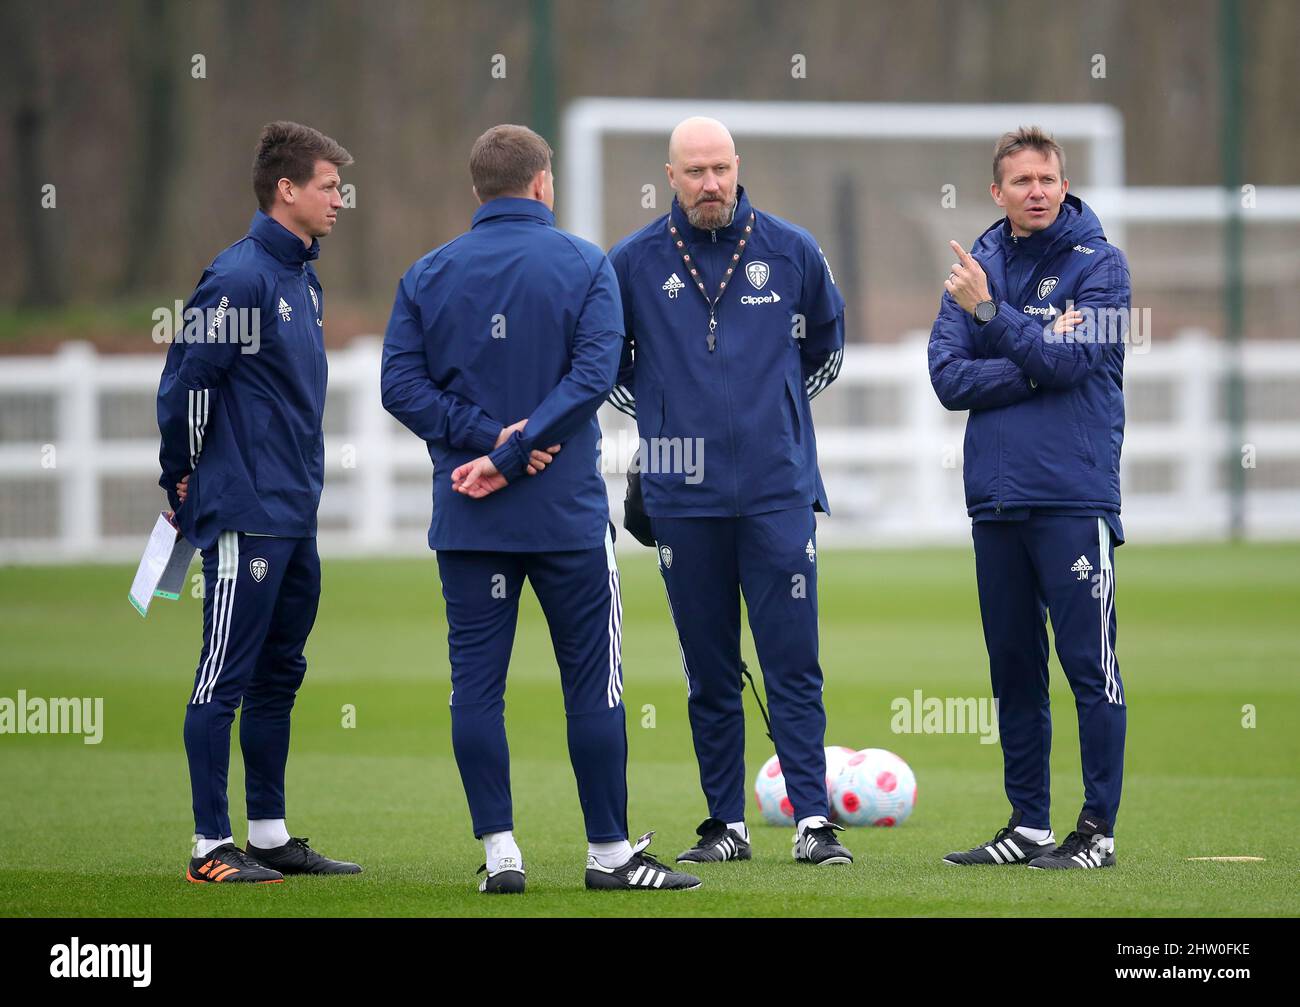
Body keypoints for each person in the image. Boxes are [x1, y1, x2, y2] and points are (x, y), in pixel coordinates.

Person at [381, 123, 701, 894]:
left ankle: (501, 853)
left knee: (475, 687)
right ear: (542, 183)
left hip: (469, 516)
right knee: (594, 683)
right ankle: (610, 854)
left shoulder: (426, 273)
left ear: (477, 190)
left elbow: (400, 388)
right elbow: (596, 375)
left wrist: (486, 444)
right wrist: (518, 448)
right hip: (564, 519)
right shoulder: (585, 263)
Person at [607, 117, 850, 867]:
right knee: (707, 667)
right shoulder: (633, 262)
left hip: (778, 492)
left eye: (721, 168)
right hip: (683, 498)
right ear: (670, 176)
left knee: (792, 661)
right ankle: (725, 824)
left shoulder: (792, 250)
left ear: (738, 167)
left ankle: (813, 820)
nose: (711, 183)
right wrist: (668, 421)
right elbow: (613, 369)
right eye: (695, 171)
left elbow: (826, 352)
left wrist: (773, 424)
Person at [157, 121, 361, 883]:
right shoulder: (240, 277)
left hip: (294, 513)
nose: (339, 199)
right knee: (223, 677)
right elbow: (184, 384)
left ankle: (268, 834)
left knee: (282, 672)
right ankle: (211, 847)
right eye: (328, 186)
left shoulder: (303, 276)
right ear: (287, 190)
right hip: (246, 512)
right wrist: (179, 473)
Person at [928, 126, 1130, 870]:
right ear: (997, 192)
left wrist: (995, 319)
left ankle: (1098, 832)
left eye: (1047, 179)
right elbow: (948, 379)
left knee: (1089, 665)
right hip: (997, 502)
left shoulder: (1103, 265)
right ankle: (1029, 825)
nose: (1036, 191)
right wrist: (1032, 343)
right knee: (1013, 667)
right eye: (1022, 181)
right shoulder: (973, 268)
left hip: (1073, 497)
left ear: (1064, 183)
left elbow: (1075, 362)